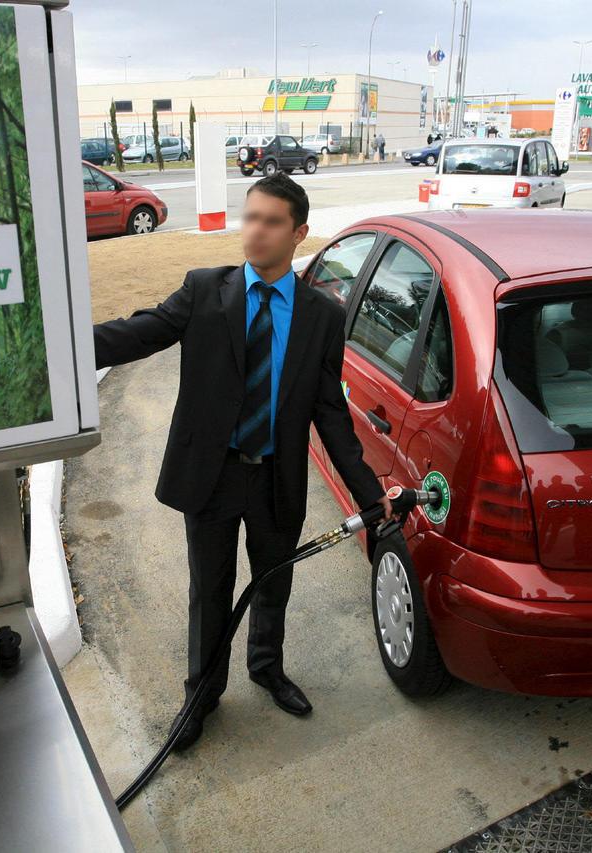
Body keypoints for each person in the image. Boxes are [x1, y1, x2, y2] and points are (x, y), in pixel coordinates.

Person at [92, 173, 395, 750]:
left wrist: (366, 490)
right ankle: (201, 696)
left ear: (299, 233)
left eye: (271, 221)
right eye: (250, 217)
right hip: (212, 474)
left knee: (272, 581)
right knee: (210, 590)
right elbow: (141, 333)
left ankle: (266, 667)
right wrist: (62, 345)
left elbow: (330, 411)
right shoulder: (206, 289)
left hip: (277, 476)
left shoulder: (322, 316)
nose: (255, 231)